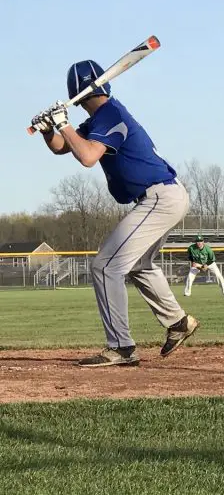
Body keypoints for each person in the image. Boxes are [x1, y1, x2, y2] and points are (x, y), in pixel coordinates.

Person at [30, 60, 199, 367]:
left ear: (77, 93)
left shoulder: (110, 114)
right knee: (138, 265)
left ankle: (121, 347)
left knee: (106, 265)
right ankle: (178, 323)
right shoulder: (98, 119)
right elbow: (63, 147)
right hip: (161, 196)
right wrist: (50, 129)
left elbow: (87, 156)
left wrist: (63, 123)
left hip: (159, 197)